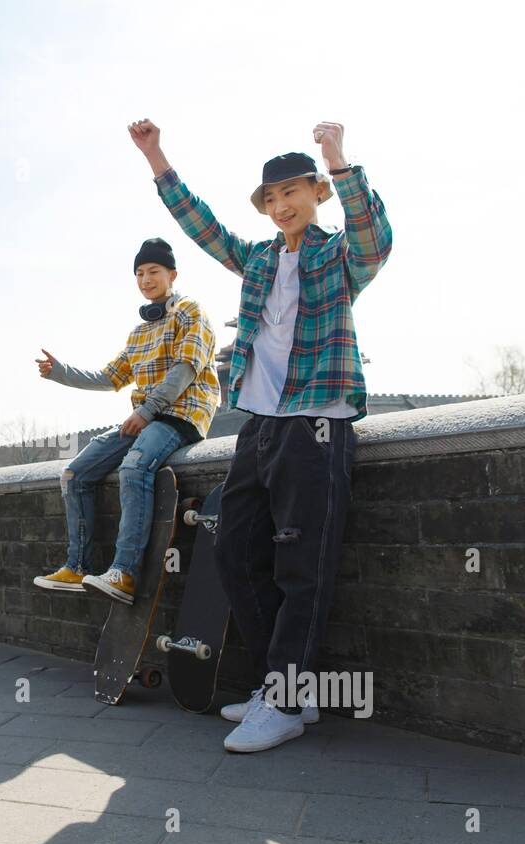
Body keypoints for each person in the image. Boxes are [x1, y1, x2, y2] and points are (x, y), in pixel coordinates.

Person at [129, 118, 392, 752]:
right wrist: (158, 158)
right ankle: (286, 694)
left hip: (317, 422)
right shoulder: (260, 259)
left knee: (304, 563)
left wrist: (339, 161)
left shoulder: (338, 257)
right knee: (234, 548)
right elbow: (205, 228)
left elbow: (375, 239)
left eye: (291, 193)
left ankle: (285, 695)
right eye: (270, 199)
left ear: (316, 193)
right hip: (261, 424)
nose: (280, 207)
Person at [34, 237, 220, 603]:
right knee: (75, 474)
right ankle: (79, 567)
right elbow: (109, 378)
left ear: (172, 274)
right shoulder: (138, 333)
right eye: (139, 273)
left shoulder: (190, 312)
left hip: (181, 415)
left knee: (134, 468)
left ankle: (125, 573)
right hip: (145, 418)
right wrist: (59, 371)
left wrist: (146, 411)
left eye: (153, 271)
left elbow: (185, 370)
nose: (145, 279)